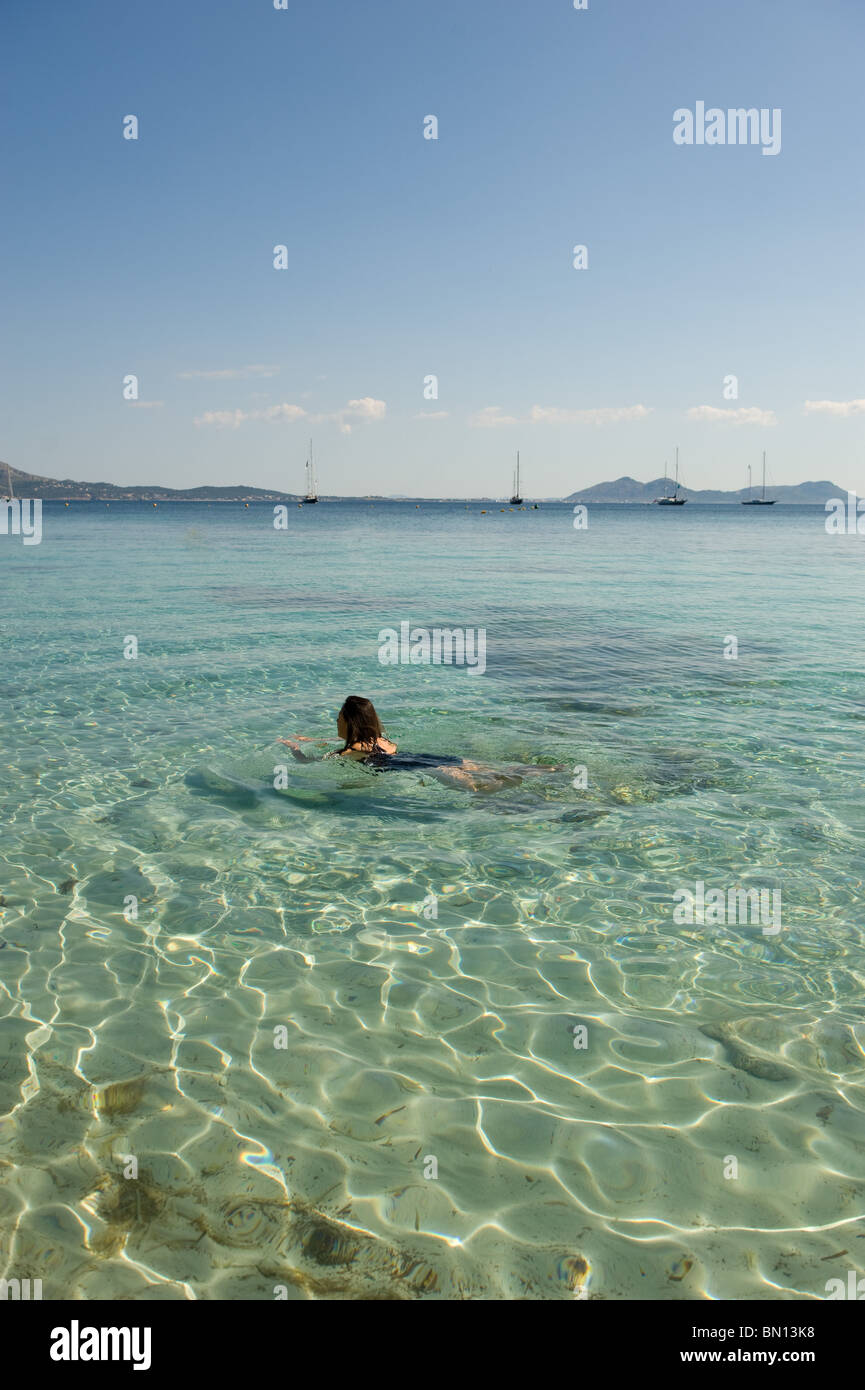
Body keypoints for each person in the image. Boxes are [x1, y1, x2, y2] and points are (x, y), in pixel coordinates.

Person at [278, 695, 522, 791]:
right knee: (467, 765)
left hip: (416, 768)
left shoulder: (349, 752)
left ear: (349, 724)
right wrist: (315, 739)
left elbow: (311, 762)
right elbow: (357, 740)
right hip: (424, 757)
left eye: (338, 718)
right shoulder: (381, 739)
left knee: (474, 789)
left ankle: (490, 792)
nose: (336, 722)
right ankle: (523, 770)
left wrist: (296, 750)